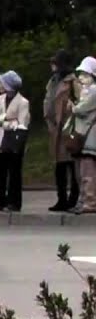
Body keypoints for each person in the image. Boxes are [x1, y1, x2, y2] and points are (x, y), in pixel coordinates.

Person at [46, 51, 82, 211]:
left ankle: (73, 198)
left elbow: (80, 102)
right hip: (55, 128)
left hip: (69, 127)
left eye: (55, 62)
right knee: (59, 166)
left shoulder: (73, 81)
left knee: (72, 165)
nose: (52, 66)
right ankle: (61, 198)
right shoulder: (52, 81)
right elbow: (47, 101)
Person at [0, 70, 30, 212]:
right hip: (1, 140)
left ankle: (14, 202)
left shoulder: (23, 102)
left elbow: (22, 122)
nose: (0, 85)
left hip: (15, 141)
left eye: (2, 83)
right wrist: (7, 119)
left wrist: (4, 121)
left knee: (14, 172)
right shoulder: (0, 99)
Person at [71, 66, 96, 214]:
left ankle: (90, 202)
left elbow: (80, 109)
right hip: (87, 135)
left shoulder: (92, 91)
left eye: (85, 75)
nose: (81, 78)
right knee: (84, 170)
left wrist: (72, 107)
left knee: (87, 171)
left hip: (89, 136)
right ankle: (85, 200)